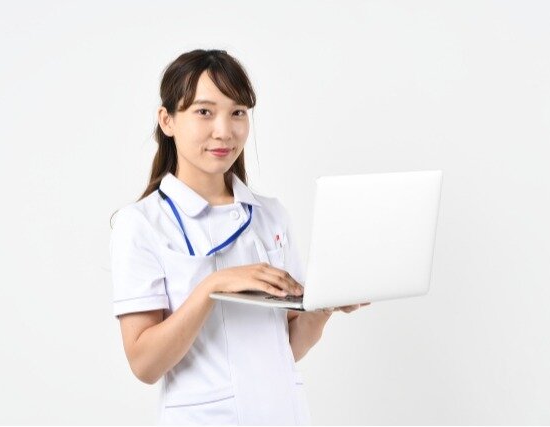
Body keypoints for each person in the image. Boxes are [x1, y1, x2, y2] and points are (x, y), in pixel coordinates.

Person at [109, 48, 370, 425]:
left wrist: (322, 307)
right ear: (167, 120)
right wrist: (212, 286)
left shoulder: (270, 215)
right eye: (204, 112)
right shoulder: (141, 224)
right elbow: (145, 364)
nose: (224, 131)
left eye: (238, 112)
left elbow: (286, 347)